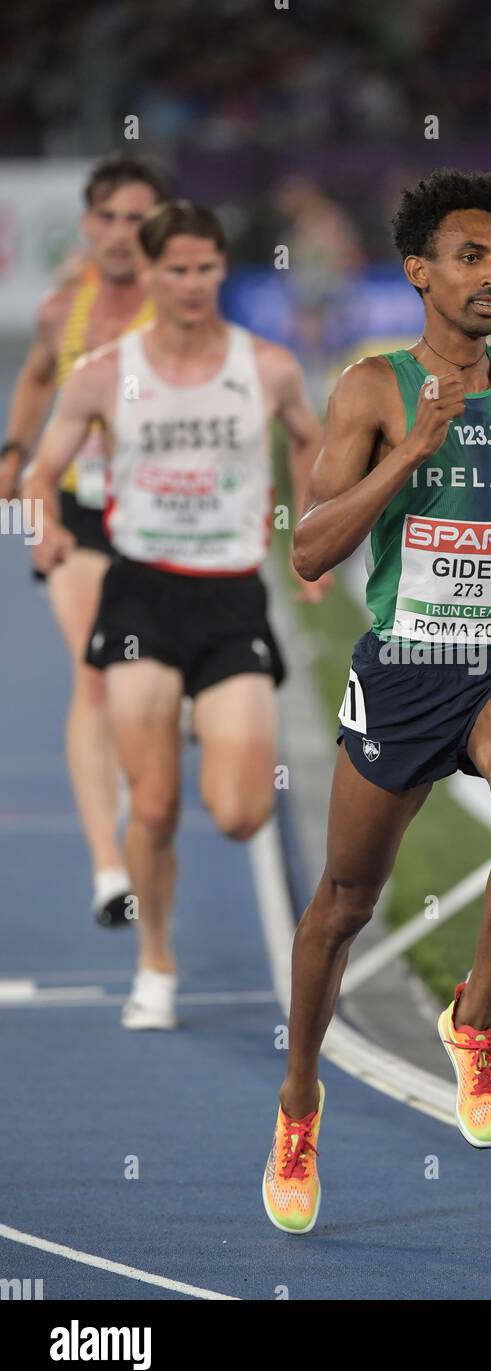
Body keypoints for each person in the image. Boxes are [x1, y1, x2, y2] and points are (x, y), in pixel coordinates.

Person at [261, 167, 491, 1235]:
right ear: (418, 271)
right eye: (469, 257)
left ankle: (473, 1017)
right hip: (406, 665)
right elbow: (310, 544)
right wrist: (411, 450)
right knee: (343, 905)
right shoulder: (372, 387)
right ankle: (299, 1104)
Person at [24, 200, 323, 1030]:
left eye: (206, 268)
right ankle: (155, 962)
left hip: (231, 596)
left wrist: (306, 535)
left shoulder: (266, 367)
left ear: (222, 269)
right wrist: (42, 529)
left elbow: (308, 440)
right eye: (176, 269)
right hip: (140, 596)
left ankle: (205, 705)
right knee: (152, 806)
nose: (192, 284)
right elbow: (40, 474)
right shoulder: (103, 372)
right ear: (147, 274)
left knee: (240, 813)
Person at [1, 155, 170, 926]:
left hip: (166, 519)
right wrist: (14, 451)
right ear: (87, 224)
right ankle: (109, 866)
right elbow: (37, 376)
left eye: (139, 220)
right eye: (108, 218)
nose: (121, 234)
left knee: (155, 685)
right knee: (92, 673)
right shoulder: (63, 307)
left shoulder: (180, 308)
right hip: (76, 508)